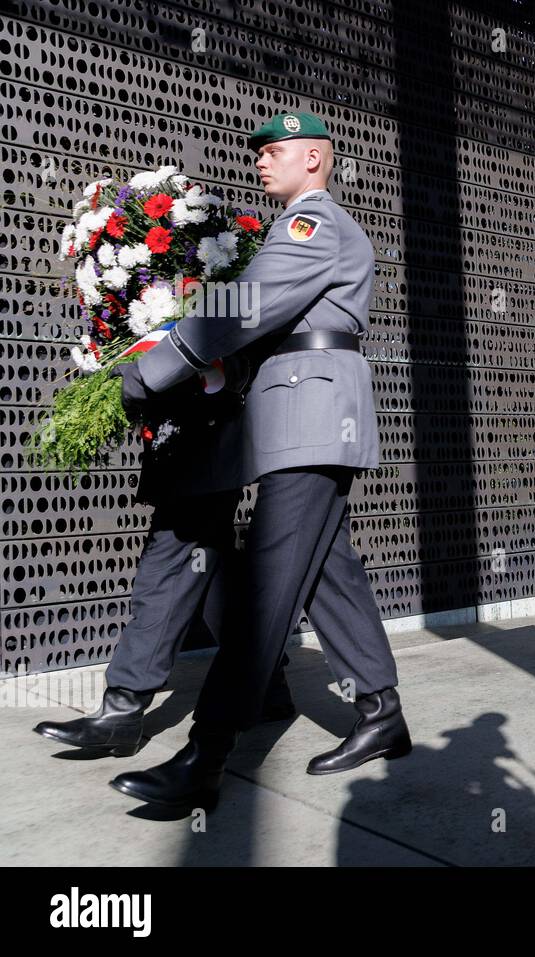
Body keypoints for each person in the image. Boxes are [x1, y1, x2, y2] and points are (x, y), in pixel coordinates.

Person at [108, 111, 409, 811]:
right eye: (260, 154)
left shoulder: (312, 225)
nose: (260, 163)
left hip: (310, 419)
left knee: (265, 592)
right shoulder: (302, 226)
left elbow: (246, 304)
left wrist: (158, 365)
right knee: (328, 570)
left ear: (314, 159)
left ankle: (205, 756)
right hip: (302, 419)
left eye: (274, 152)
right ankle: (381, 711)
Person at [32, 358, 294, 757]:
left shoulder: (221, 302)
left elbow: (223, 362)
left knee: (164, 573)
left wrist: (148, 372)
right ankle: (266, 685)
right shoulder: (207, 301)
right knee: (213, 578)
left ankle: (123, 708)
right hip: (198, 449)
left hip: (204, 448)